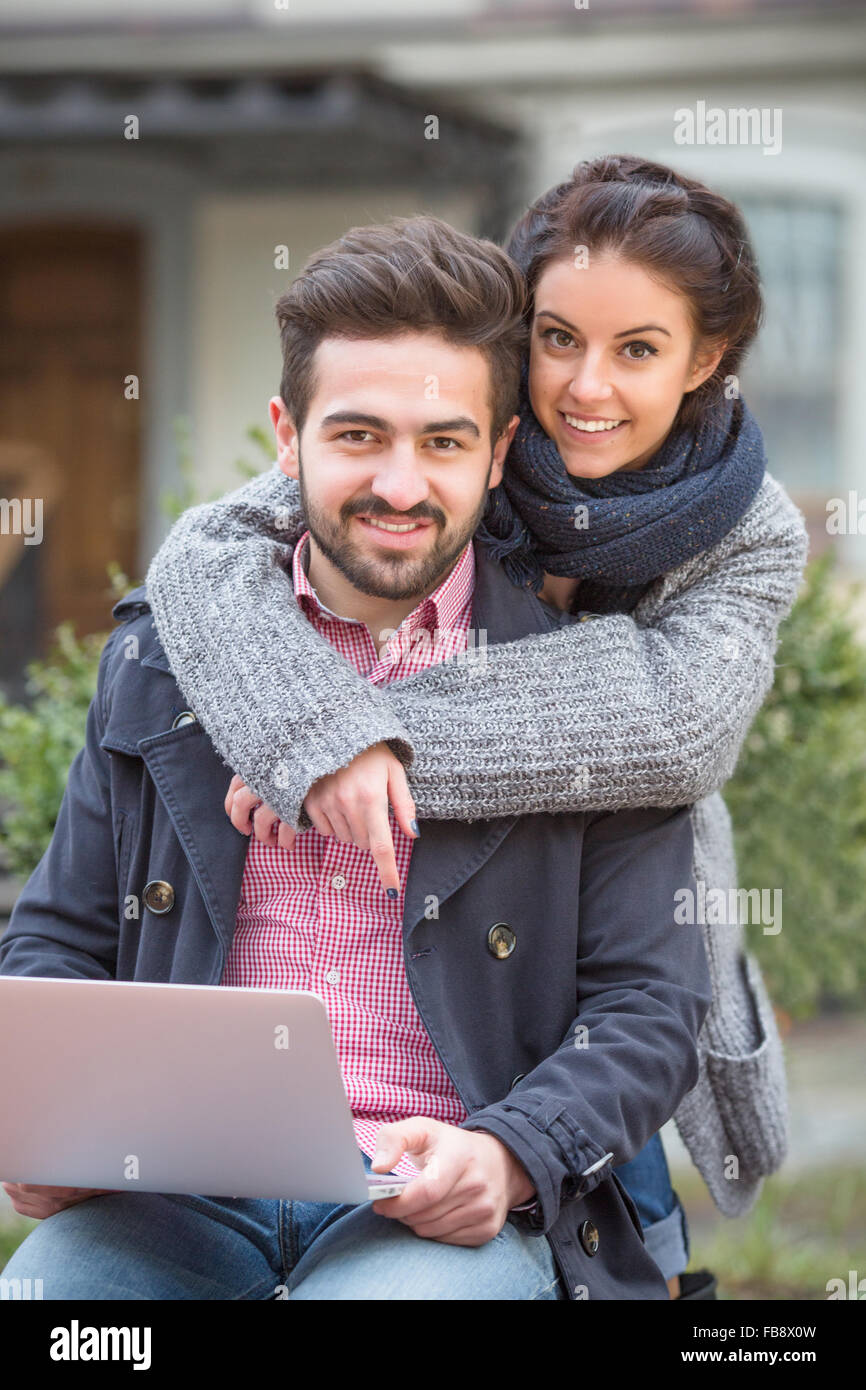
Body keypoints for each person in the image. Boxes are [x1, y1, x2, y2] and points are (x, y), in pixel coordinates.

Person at [0, 214, 711, 1301]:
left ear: (498, 453)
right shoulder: (160, 661)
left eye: (442, 443)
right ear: (287, 436)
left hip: (437, 1217)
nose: (400, 486)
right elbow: (57, 937)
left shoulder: (597, 699)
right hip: (172, 1199)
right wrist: (49, 1119)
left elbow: (649, 1010)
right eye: (358, 436)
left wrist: (509, 1153)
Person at [139, 156, 809, 1296]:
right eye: (557, 338)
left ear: (704, 360)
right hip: (444, 933)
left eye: (637, 350)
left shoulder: (747, 530)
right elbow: (206, 556)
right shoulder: (447, 443)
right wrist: (307, 729)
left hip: (621, 901)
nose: (584, 387)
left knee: (605, 1198)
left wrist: (343, 743)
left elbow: (674, 726)